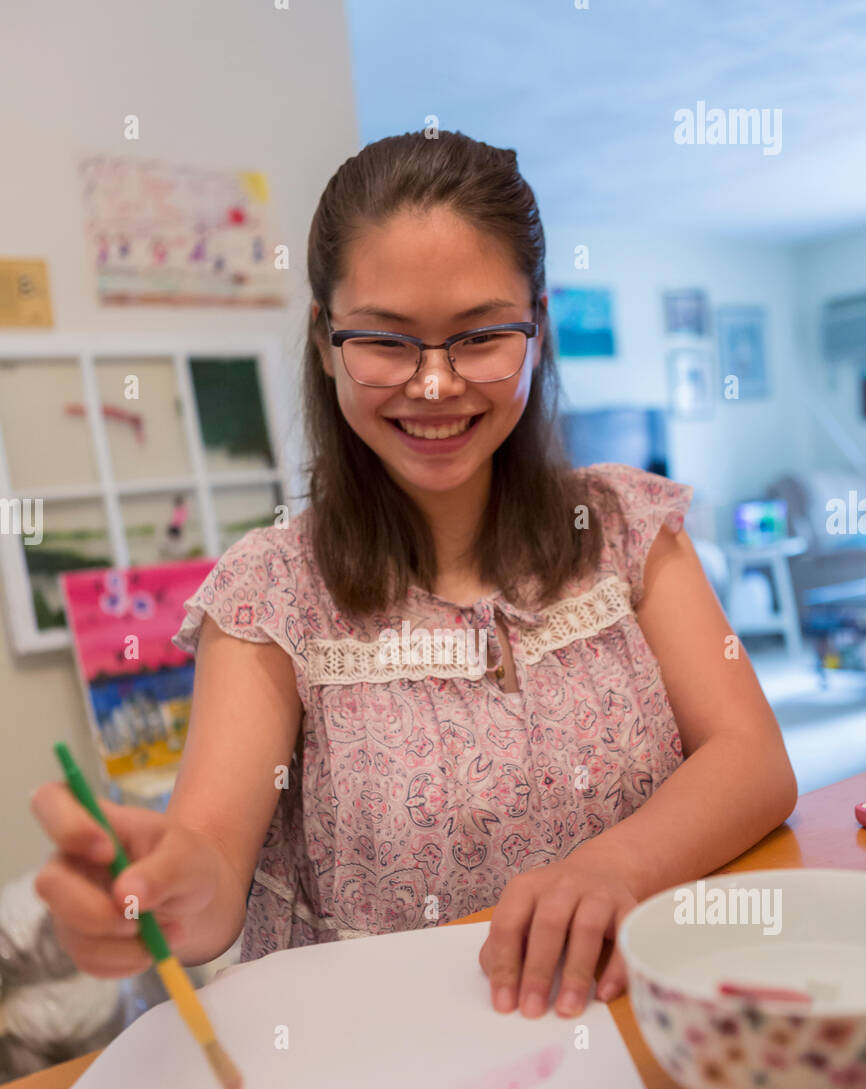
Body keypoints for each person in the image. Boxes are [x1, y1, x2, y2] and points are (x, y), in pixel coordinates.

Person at [31, 131, 798, 1020]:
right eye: (388, 344)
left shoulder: (627, 527)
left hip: (644, 1027)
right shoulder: (269, 592)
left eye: (479, 338)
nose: (435, 386)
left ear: (537, 329)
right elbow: (208, 873)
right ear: (325, 341)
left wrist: (612, 868)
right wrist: (158, 891)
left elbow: (753, 761)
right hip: (391, 1071)